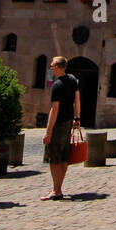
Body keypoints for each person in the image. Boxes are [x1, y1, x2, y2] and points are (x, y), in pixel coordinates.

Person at [41, 56, 80, 201]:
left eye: (52, 66)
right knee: (64, 156)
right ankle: (57, 188)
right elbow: (77, 99)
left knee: (54, 157)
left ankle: (56, 190)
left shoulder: (57, 85)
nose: (51, 68)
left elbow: (54, 109)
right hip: (69, 121)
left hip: (59, 123)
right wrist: (77, 118)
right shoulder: (72, 79)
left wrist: (48, 131)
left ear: (58, 67)